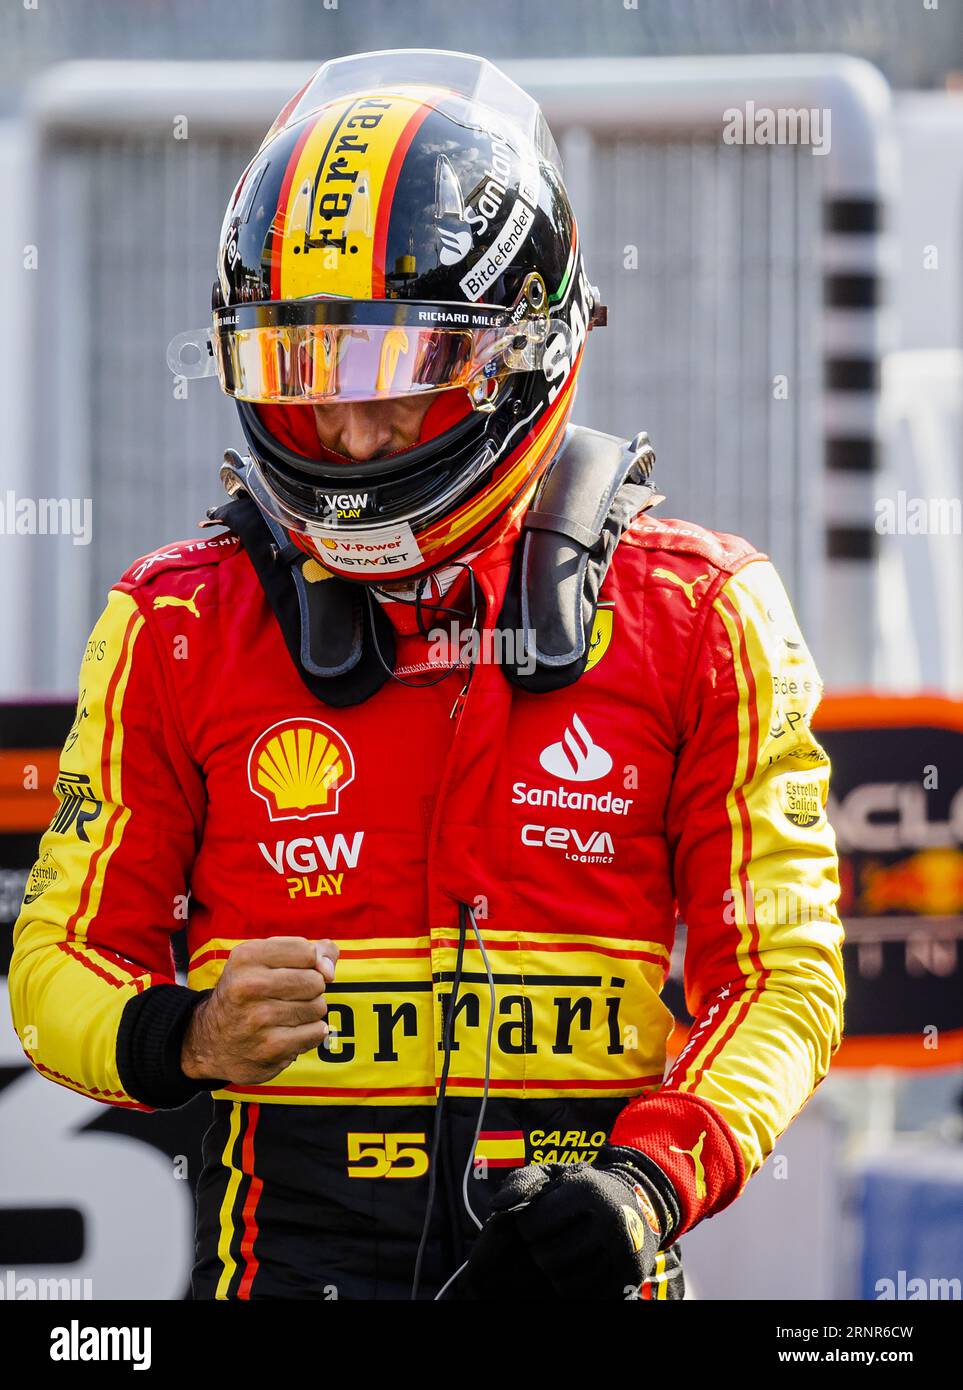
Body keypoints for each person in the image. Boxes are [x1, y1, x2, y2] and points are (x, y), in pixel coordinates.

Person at [9, 48, 845, 1301]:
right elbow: (56, 969)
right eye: (305, 371)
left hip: (580, 1269)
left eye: (396, 377)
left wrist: (645, 1187)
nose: (349, 432)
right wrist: (186, 1032)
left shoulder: (704, 614)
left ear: (524, 351)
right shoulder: (178, 619)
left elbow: (785, 976)